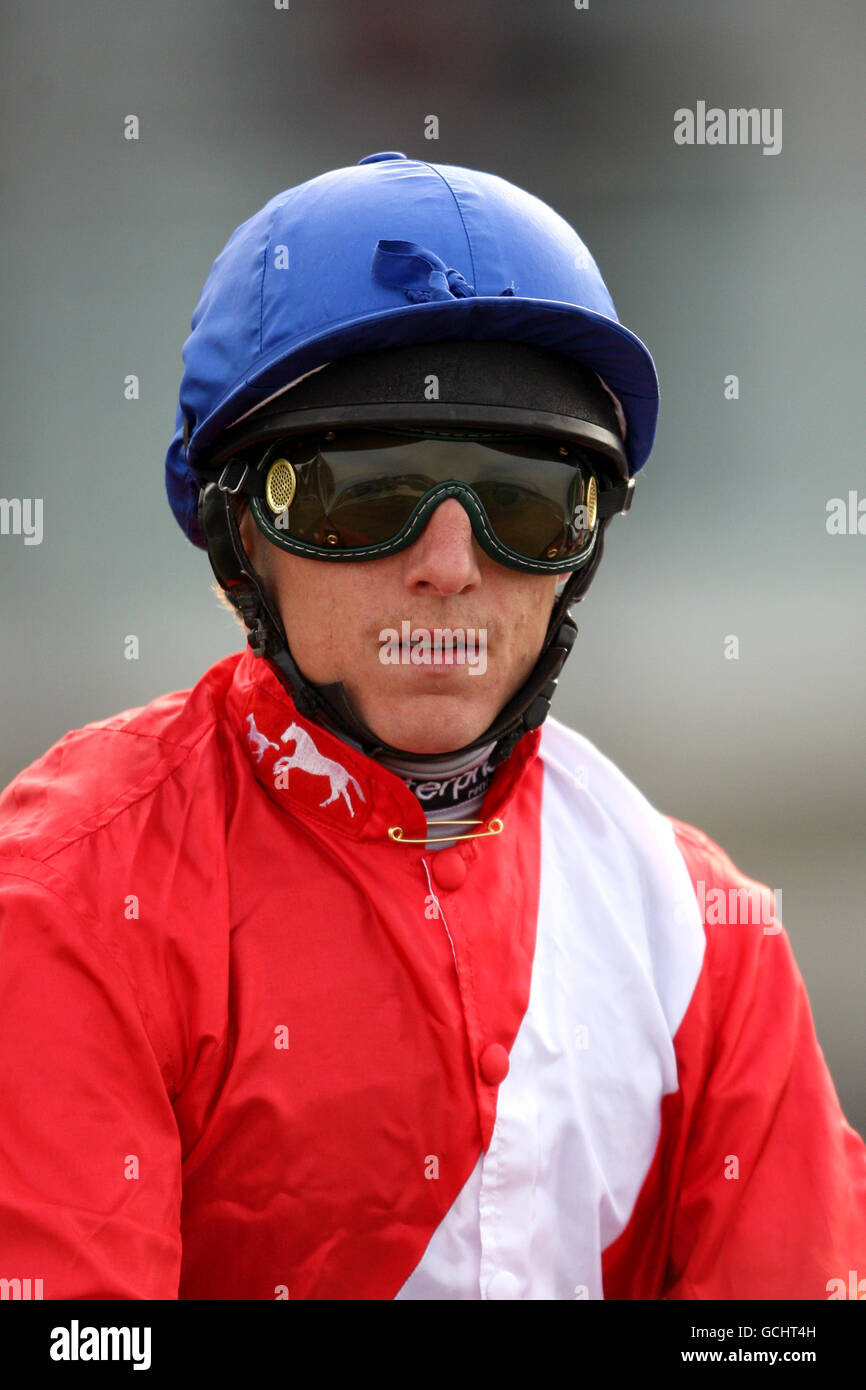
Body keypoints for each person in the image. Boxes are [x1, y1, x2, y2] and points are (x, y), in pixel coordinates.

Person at [0, 151, 864, 1302]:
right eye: (365, 493)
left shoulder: (704, 933)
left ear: (585, 545)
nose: (449, 568)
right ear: (235, 538)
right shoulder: (64, 895)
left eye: (521, 501)